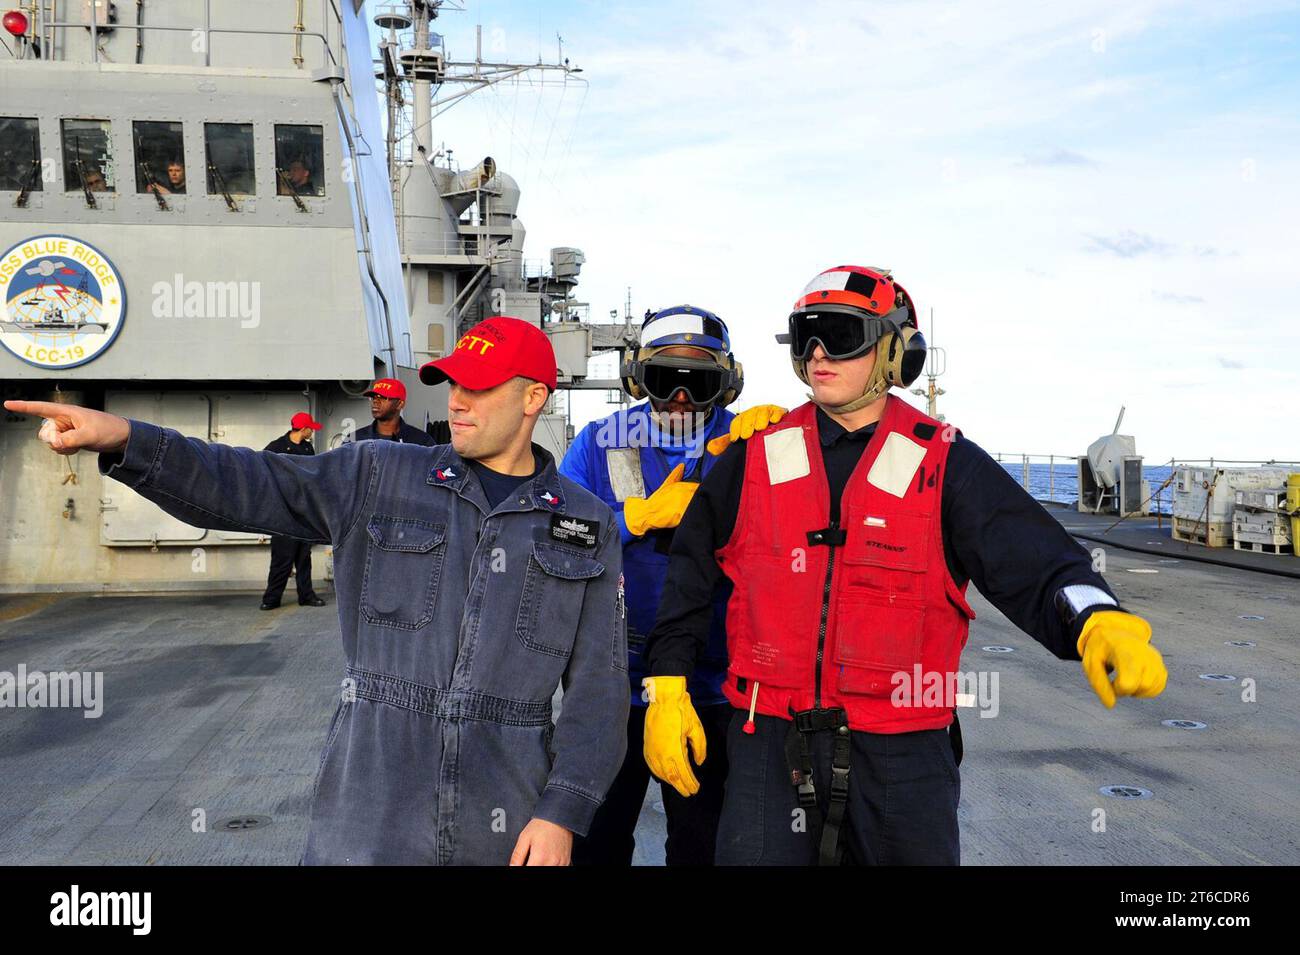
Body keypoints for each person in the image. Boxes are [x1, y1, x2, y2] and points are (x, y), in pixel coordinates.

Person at [3, 316, 629, 865]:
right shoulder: (378, 473)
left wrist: (563, 812)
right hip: (373, 798)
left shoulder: (586, 525)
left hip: (509, 807)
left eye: (480, 386)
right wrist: (126, 439)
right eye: (454, 383)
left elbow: (598, 689)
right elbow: (249, 481)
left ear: (533, 398)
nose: (459, 400)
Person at [642, 265, 1169, 866]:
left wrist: (1097, 619)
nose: (817, 355)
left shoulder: (943, 463)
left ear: (895, 351)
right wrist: (668, 686)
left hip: (902, 754)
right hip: (768, 747)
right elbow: (689, 576)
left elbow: (1036, 559)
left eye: (840, 336)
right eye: (804, 336)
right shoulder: (752, 456)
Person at [560, 305, 785, 866]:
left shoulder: (748, 445)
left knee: (704, 845)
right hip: (611, 683)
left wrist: (792, 441)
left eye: (699, 382)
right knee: (595, 840)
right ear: (639, 378)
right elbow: (553, 532)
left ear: (727, 385)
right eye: (666, 381)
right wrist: (634, 518)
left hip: (709, 683)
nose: (681, 399)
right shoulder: (598, 441)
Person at [259, 412, 326, 611]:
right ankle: (271, 598)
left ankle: (306, 595)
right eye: (310, 428)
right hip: (283, 512)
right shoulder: (276, 447)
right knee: (282, 558)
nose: (312, 431)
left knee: (304, 557)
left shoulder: (307, 448)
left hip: (304, 510)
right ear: (303, 428)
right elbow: (262, 469)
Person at [354, 378, 435, 445]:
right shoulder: (355, 440)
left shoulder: (422, 441)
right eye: (373, 398)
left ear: (400, 404)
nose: (375, 401)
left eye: (382, 397)